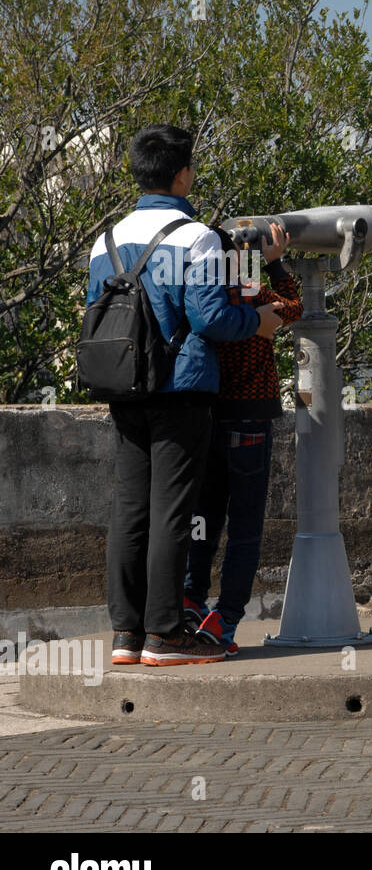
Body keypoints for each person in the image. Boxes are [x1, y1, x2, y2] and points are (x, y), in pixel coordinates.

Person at [90, 125, 282, 667]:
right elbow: (210, 317)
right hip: (180, 388)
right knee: (173, 512)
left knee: (130, 511)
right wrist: (257, 318)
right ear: (182, 174)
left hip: (122, 385)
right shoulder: (194, 236)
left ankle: (126, 635)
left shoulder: (104, 240)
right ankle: (166, 636)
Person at [183, 222, 303, 656]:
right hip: (250, 421)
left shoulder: (207, 299)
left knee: (204, 517)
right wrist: (276, 262)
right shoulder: (255, 295)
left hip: (209, 415)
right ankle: (226, 618)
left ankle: (190, 599)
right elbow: (295, 307)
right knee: (246, 527)